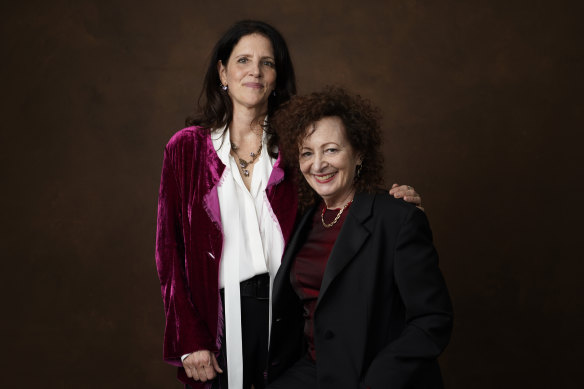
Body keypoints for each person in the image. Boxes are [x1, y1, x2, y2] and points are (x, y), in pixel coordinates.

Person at [155, 20, 423, 389]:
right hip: (217, 319)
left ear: (277, 77)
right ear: (223, 71)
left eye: (267, 62)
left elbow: (343, 196)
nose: (255, 71)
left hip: (291, 315)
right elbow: (169, 252)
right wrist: (188, 339)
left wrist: (396, 206)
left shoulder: (297, 146)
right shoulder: (186, 148)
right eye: (243, 60)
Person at [267, 87, 453, 389]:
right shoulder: (303, 219)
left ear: (359, 153)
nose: (317, 165)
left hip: (377, 377)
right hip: (314, 371)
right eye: (306, 152)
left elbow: (432, 320)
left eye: (331, 149)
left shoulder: (398, 217)